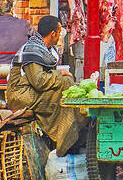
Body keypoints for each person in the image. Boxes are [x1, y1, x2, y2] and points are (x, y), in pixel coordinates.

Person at [6, 16, 85, 155]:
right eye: (59, 31)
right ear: (53, 33)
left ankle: (69, 136)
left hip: (31, 90)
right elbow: (39, 81)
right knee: (64, 87)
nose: (61, 35)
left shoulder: (46, 49)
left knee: (67, 87)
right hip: (20, 94)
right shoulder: (33, 49)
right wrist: (60, 74)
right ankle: (64, 140)